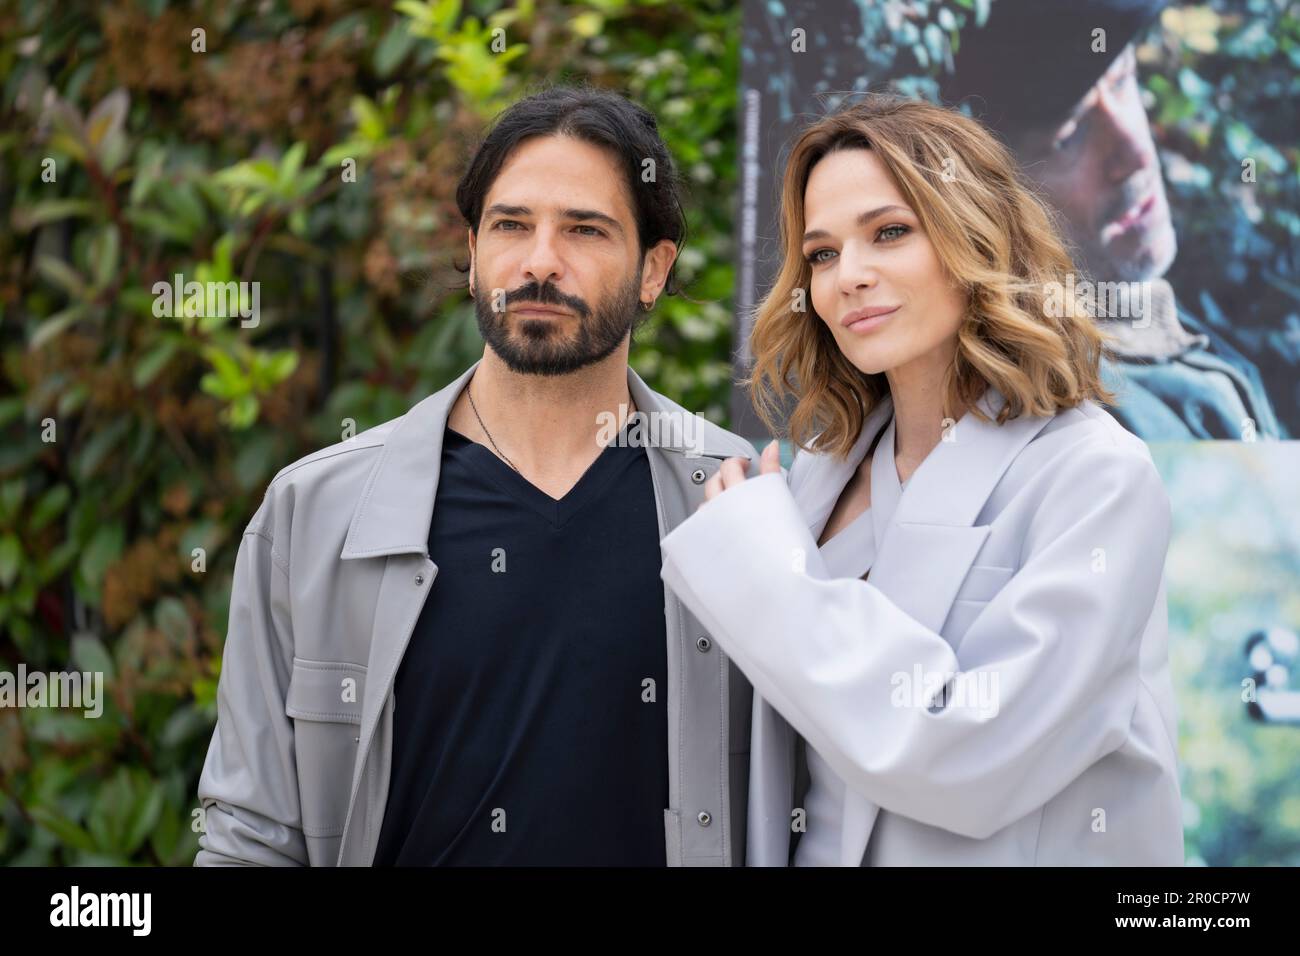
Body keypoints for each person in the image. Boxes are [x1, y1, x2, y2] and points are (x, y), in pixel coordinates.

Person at [195, 84, 758, 866]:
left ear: (654, 269)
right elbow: (250, 833)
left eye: (586, 230)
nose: (539, 262)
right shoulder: (315, 512)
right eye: (511, 225)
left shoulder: (739, 504)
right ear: (470, 254)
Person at [660, 95, 1184, 865]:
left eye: (890, 233)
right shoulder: (817, 477)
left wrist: (766, 576)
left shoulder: (1096, 478)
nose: (849, 277)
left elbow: (974, 757)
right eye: (823, 253)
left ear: (975, 234)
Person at [938, 0, 1284, 439]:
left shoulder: (1132, 312)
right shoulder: (1079, 424)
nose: (1135, 153)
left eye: (1121, 81)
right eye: (1070, 137)